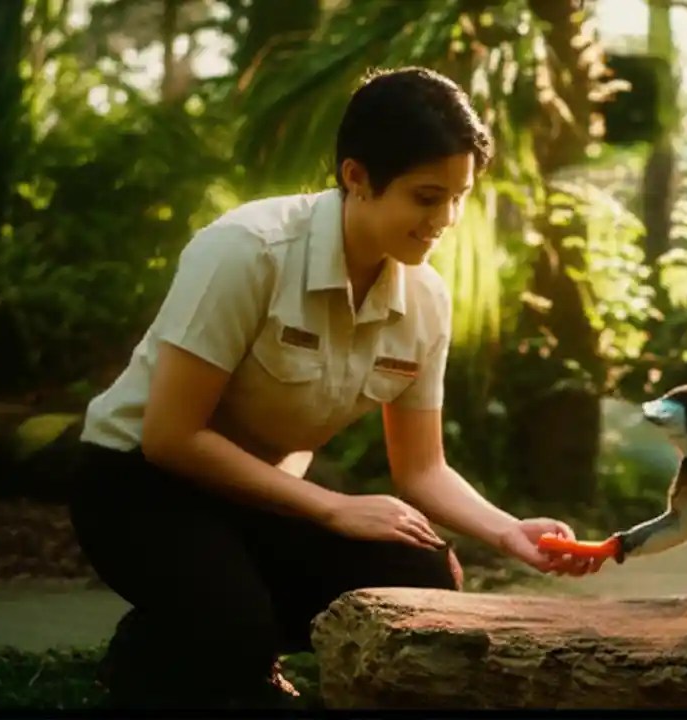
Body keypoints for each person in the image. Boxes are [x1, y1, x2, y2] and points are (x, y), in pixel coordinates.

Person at [67, 66, 604, 709]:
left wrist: (509, 532)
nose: (447, 219)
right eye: (427, 196)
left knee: (420, 574)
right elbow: (171, 437)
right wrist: (331, 507)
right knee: (236, 623)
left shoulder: (426, 299)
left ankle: (172, 635)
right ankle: (198, 644)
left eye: (459, 197)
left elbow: (422, 470)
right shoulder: (247, 251)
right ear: (356, 177)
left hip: (260, 495)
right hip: (137, 483)